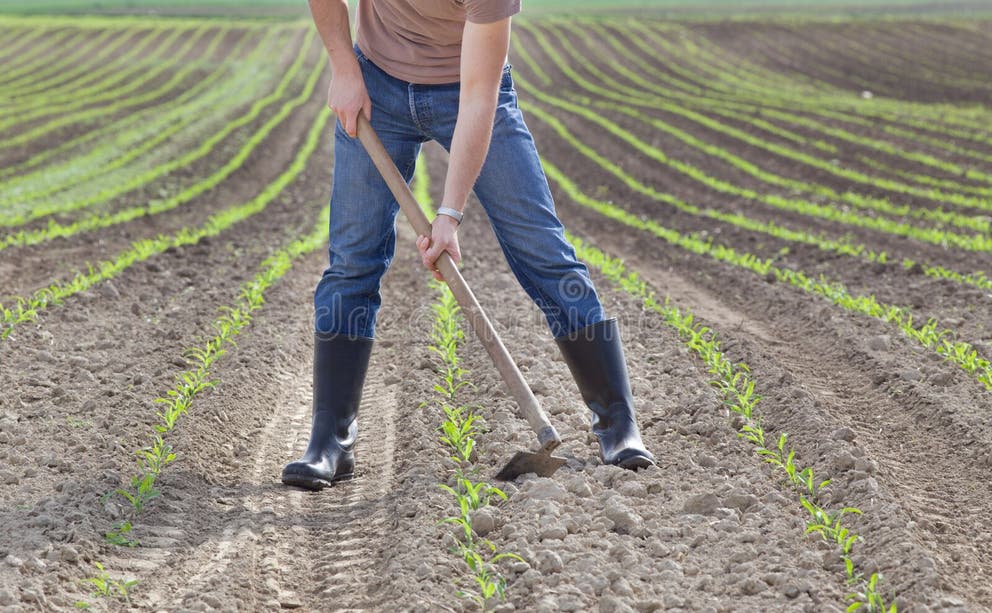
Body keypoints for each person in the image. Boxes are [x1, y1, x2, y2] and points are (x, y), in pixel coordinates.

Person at [282, 0, 655, 491]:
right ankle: (330, 440)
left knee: (544, 251)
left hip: (469, 87)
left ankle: (618, 423)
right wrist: (343, 68)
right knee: (352, 261)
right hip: (376, 82)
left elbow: (479, 98)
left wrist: (449, 214)